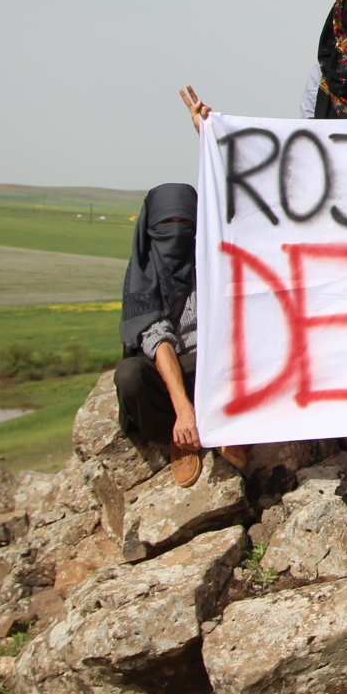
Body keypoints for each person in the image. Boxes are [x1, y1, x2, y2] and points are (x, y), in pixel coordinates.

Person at [115, 183, 247, 486]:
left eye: (185, 224)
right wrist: (183, 410)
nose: (176, 233)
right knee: (129, 375)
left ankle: (220, 425)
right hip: (169, 367)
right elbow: (157, 339)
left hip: (213, 362)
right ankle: (180, 438)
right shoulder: (143, 273)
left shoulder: (212, 260)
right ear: (150, 227)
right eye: (166, 225)